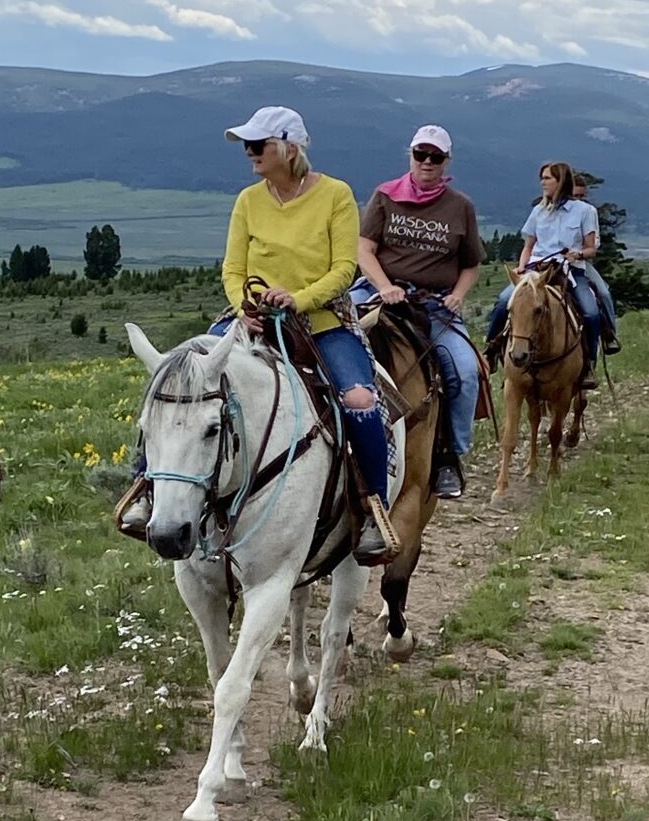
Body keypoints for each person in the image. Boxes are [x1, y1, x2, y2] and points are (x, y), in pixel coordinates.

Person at [121, 105, 399, 563]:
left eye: (258, 145)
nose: (249, 153)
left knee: (359, 401)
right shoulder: (248, 201)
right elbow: (233, 269)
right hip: (250, 320)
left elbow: (344, 269)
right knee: (178, 378)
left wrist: (299, 298)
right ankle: (146, 487)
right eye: (247, 145)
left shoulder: (335, 195)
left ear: (289, 149)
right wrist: (243, 307)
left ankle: (373, 508)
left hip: (322, 323)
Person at [350, 124, 484, 499]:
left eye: (435, 157)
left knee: (465, 372)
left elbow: (471, 263)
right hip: (380, 292)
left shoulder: (461, 207)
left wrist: (458, 294)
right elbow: (364, 249)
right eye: (420, 154)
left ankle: (448, 456)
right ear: (410, 155)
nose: (426, 162)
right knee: (325, 343)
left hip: (434, 302)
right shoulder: (384, 196)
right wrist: (384, 286)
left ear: (446, 161)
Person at [484, 161, 615, 379]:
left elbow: (591, 248)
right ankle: (491, 349)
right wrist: (521, 267)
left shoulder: (585, 211)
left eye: (547, 178)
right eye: (542, 178)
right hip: (536, 270)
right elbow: (528, 246)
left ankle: (588, 365)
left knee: (591, 312)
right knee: (502, 302)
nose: (542, 182)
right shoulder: (539, 211)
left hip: (570, 270)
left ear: (560, 181)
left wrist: (578, 254)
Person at [570, 176, 622, 355]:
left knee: (604, 293)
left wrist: (579, 253)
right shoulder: (553, 211)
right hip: (554, 262)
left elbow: (595, 242)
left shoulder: (589, 212)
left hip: (579, 261)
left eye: (581, 196)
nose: (578, 200)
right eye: (574, 196)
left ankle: (610, 334)